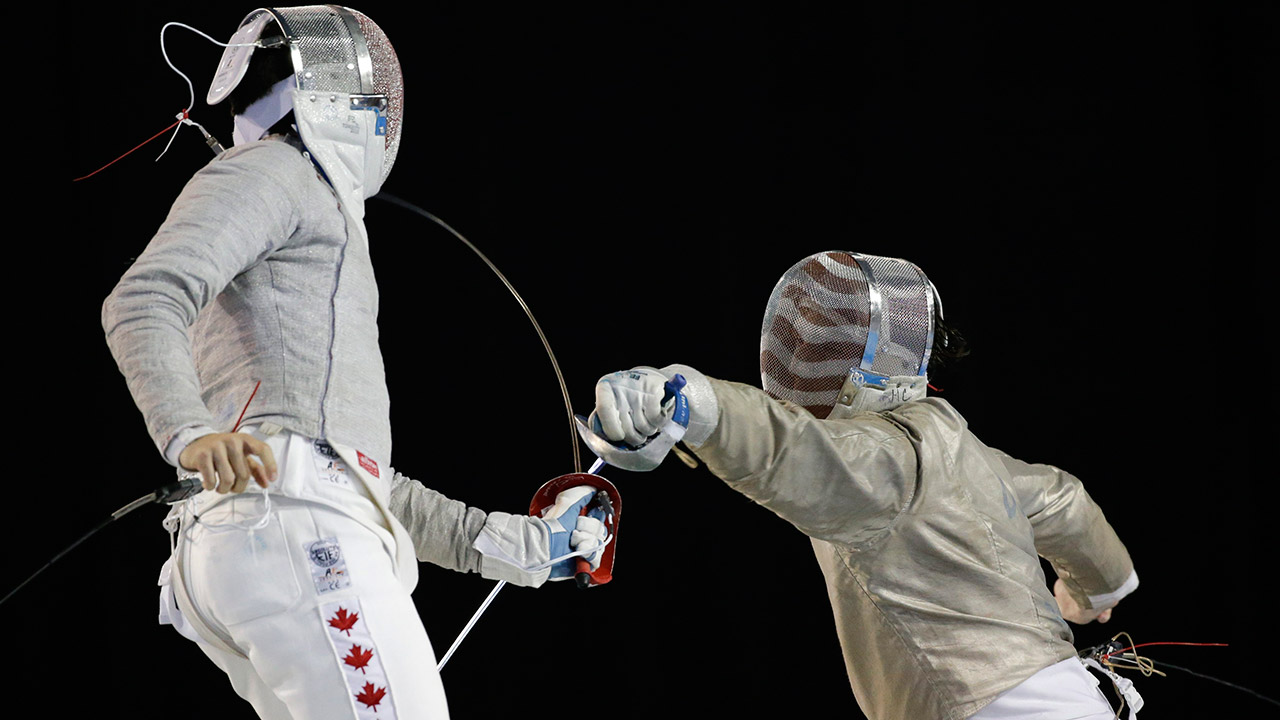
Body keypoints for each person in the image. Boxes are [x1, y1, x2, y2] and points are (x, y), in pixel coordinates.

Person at [102, 7, 603, 719]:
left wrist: (515, 547)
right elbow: (144, 296)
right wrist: (190, 433)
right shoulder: (272, 170)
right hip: (291, 533)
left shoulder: (310, 221)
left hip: (276, 535)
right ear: (341, 95)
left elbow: (346, 474)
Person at [581, 250, 1139, 720]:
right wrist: (1098, 589)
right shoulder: (957, 448)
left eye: (826, 342)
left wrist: (686, 401)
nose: (804, 352)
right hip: (1070, 695)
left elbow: (790, 449)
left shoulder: (887, 458)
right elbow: (1062, 500)